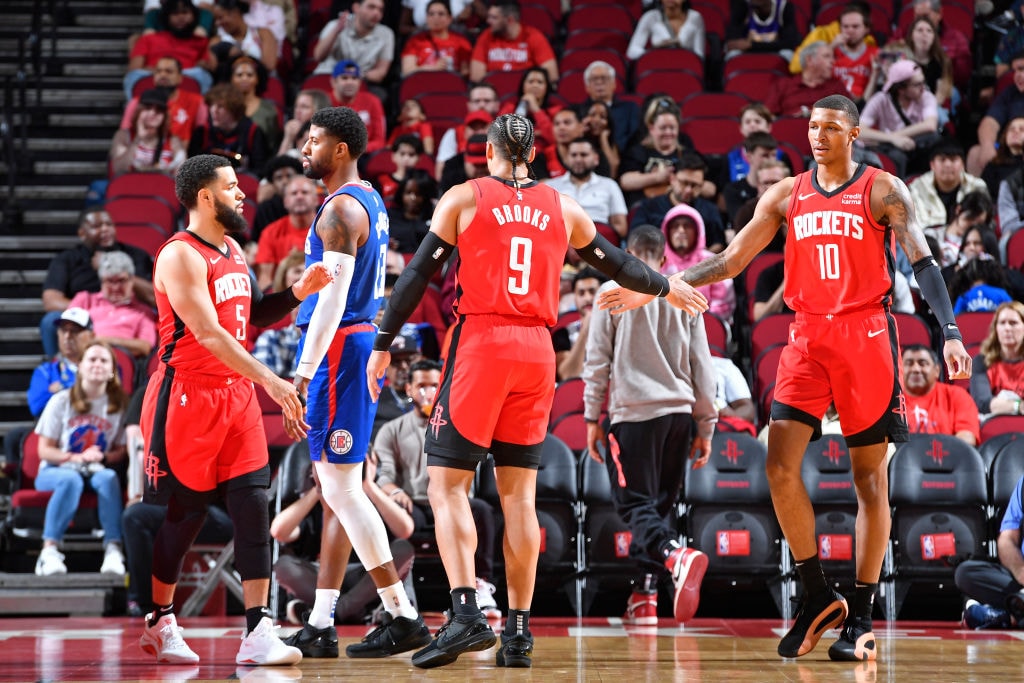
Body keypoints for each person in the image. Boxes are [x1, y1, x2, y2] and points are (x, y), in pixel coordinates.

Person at [601, 94, 972, 662]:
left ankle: (863, 617)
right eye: (811, 127)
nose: (817, 136)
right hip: (805, 338)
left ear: (852, 134)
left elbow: (921, 261)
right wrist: (653, 284)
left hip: (866, 335)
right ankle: (818, 592)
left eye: (829, 128)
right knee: (777, 464)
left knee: (867, 479)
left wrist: (948, 329)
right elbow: (727, 262)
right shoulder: (784, 194)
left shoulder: (881, 189)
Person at [366, 112, 709, 669]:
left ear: (488, 151)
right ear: (536, 153)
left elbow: (415, 279)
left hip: (483, 342)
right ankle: (520, 633)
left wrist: (384, 341)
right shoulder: (564, 206)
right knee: (518, 496)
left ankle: (465, 614)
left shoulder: (465, 196)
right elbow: (618, 263)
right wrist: (667, 285)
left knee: (447, 485)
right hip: (537, 352)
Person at [137, 153, 330, 666]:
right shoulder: (179, 254)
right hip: (187, 395)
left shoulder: (234, 250)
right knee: (187, 515)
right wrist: (271, 380)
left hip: (236, 395)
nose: (242, 193)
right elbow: (208, 333)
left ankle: (258, 629)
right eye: (231, 186)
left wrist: (296, 293)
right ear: (206, 196)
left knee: (252, 506)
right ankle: (159, 619)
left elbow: (251, 316)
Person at [288, 106, 431, 660]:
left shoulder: (340, 211)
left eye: (314, 139)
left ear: (341, 149)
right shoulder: (365, 196)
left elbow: (331, 301)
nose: (305, 146)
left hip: (341, 350)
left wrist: (301, 374)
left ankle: (403, 616)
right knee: (337, 490)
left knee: (343, 489)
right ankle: (325, 620)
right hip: (357, 345)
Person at [582, 224, 714, 626]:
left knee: (634, 504)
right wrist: (706, 424)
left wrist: (591, 417)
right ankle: (646, 595)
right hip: (678, 417)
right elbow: (702, 366)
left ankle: (676, 554)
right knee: (658, 507)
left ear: (627, 254)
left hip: (634, 415)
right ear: (663, 260)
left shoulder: (611, 293)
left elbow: (596, 362)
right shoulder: (685, 294)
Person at [372, 359, 501, 618]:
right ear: (408, 389)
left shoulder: (459, 425)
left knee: (483, 511)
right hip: (414, 503)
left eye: (434, 385)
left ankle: (479, 586)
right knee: (389, 514)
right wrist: (395, 491)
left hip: (453, 501)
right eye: (421, 385)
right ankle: (398, 593)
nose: (427, 392)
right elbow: (382, 475)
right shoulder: (392, 429)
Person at [273, 448, 417, 654]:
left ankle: (329, 616)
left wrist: (367, 486)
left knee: (403, 548)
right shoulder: (315, 499)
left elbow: (405, 529)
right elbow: (278, 531)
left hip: (365, 576)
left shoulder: (366, 493)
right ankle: (339, 614)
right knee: (284, 565)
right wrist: (322, 488)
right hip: (320, 574)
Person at [33, 341, 130, 577]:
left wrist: (104, 456)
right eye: (92, 359)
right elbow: (44, 450)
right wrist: (75, 457)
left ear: (111, 372)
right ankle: (49, 552)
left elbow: (121, 449)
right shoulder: (61, 401)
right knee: (70, 481)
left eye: (103, 360)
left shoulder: (118, 406)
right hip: (56, 469)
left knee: (108, 478)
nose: (97, 364)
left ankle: (113, 549)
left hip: (94, 469)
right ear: (80, 367)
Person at [954, 472, 1024, 629]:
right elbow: (1007, 539)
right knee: (965, 573)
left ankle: (1007, 616)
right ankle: (1016, 611)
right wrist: (1020, 570)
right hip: (1019, 583)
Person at [68, 250, 158, 360]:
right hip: (82, 362)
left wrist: (102, 341)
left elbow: (145, 346)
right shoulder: (84, 300)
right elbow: (67, 335)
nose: (115, 287)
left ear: (131, 281)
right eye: (110, 281)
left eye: (121, 281)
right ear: (101, 281)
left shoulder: (143, 312)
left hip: (123, 367)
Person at [858, 59, 940, 178]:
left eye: (923, 82)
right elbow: (859, 130)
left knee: (935, 140)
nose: (923, 88)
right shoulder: (881, 99)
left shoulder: (926, 96)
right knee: (897, 157)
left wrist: (896, 136)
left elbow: (930, 125)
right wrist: (892, 139)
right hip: (891, 147)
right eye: (917, 84)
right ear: (901, 89)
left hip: (916, 144)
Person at [659, 204, 736, 324]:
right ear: (666, 232)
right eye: (675, 226)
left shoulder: (712, 262)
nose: (681, 230)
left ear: (697, 231)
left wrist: (698, 324)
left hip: (707, 329)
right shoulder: (658, 263)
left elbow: (723, 304)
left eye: (687, 226)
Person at [123, 0, 215, 99]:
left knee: (201, 74)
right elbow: (134, 69)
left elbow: (210, 65)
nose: (181, 17)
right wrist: (162, 72)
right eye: (175, 14)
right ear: (167, 17)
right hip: (153, 78)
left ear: (194, 15)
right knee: (134, 75)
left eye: (185, 12)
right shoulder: (148, 39)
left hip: (186, 79)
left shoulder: (201, 41)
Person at [544, 138, 628, 243]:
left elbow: (621, 228)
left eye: (584, 155)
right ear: (566, 159)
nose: (578, 159)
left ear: (596, 159)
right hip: (560, 241)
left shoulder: (609, 185)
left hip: (599, 242)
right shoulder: (550, 187)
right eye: (574, 155)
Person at [312, 0, 395, 98]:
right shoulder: (335, 25)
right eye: (371, 7)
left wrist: (352, 76)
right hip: (328, 77)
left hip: (359, 83)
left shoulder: (386, 34)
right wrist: (336, 31)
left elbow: (380, 73)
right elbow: (318, 56)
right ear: (356, 8)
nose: (376, 13)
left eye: (380, 10)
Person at [902, 344, 980, 445]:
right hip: (900, 458)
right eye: (909, 364)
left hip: (945, 458)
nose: (916, 369)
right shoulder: (890, 400)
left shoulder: (957, 395)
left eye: (923, 363)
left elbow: (967, 439)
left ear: (937, 370)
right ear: (899, 368)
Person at [119, 56, 209, 145]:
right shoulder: (136, 102)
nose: (163, 75)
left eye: (169, 71)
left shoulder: (197, 101)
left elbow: (204, 135)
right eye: (158, 71)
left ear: (180, 78)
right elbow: (124, 134)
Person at [188, 82, 270, 176]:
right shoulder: (202, 132)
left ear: (234, 110)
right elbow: (192, 167)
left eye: (220, 106)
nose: (214, 111)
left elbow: (260, 169)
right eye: (212, 105)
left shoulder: (253, 131)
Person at [253, 175, 319, 290]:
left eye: (305, 192)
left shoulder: (328, 229)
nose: (299, 197)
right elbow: (265, 278)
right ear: (286, 202)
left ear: (316, 199)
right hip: (285, 298)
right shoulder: (271, 233)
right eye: (294, 193)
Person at [468, 0, 557, 84]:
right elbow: (476, 77)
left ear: (510, 20)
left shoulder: (534, 37)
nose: (488, 21)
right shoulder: (486, 36)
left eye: (494, 18)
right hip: (495, 94)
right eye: (489, 17)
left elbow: (552, 75)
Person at [27, 308, 95, 418]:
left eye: (75, 331)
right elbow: (37, 408)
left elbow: (111, 399)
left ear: (91, 336)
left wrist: (61, 388)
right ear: (58, 333)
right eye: (63, 330)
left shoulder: (104, 367)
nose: (67, 336)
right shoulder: (45, 371)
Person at [908, 140, 988, 231]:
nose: (948, 164)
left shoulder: (977, 187)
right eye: (942, 160)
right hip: (928, 242)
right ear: (932, 165)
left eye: (953, 160)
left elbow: (983, 224)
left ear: (963, 164)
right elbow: (914, 227)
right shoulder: (917, 188)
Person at [109, 88, 187, 177]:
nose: (153, 113)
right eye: (147, 108)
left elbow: (182, 177)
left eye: (159, 110)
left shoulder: (173, 141)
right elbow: (118, 169)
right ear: (138, 111)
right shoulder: (124, 136)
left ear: (165, 116)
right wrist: (137, 140)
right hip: (129, 187)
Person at [765, 41, 853, 118]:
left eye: (833, 57)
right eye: (827, 56)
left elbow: (849, 117)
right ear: (809, 60)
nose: (833, 61)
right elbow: (768, 116)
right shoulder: (783, 84)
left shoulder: (837, 85)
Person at [969, 301, 1024, 420]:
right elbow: (982, 403)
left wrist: (1000, 405)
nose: (1007, 328)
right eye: (1002, 323)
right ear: (996, 328)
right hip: (993, 425)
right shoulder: (981, 361)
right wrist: (1018, 406)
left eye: (1013, 323)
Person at [573, 60, 642, 153]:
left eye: (604, 78)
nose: (599, 82)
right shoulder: (577, 111)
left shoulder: (630, 109)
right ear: (586, 87)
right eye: (594, 79)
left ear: (614, 84)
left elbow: (635, 138)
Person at [552, 267, 607, 382]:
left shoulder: (619, 328)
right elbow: (567, 376)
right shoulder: (563, 334)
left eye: (592, 292)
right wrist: (585, 331)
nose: (587, 298)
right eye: (581, 293)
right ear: (575, 297)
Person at [326, 60, 386, 155]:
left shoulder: (373, 101)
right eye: (344, 78)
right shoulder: (325, 102)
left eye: (354, 78)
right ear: (333, 82)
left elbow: (380, 140)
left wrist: (355, 150)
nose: (350, 82)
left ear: (360, 82)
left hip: (363, 155)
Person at [400, 0, 472, 78]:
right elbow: (407, 71)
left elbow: (466, 71)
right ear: (426, 18)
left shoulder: (461, 41)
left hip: (452, 85)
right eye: (431, 14)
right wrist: (432, 68)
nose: (436, 18)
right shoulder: (415, 41)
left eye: (441, 14)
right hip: (421, 85)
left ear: (450, 18)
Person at [229, 55, 282, 153]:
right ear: (231, 79)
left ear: (257, 79)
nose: (244, 78)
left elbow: (273, 144)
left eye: (249, 75)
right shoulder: (225, 108)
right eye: (239, 75)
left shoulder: (269, 110)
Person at [627, 0, 705, 61]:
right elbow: (632, 51)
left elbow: (700, 56)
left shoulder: (695, 18)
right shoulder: (650, 16)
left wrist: (683, 53)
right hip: (658, 68)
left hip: (684, 68)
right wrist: (655, 53)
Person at [278, 89, 330, 159]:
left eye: (304, 107)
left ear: (318, 111)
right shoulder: (289, 128)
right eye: (296, 106)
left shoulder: (324, 135)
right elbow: (277, 164)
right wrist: (288, 138)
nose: (298, 111)